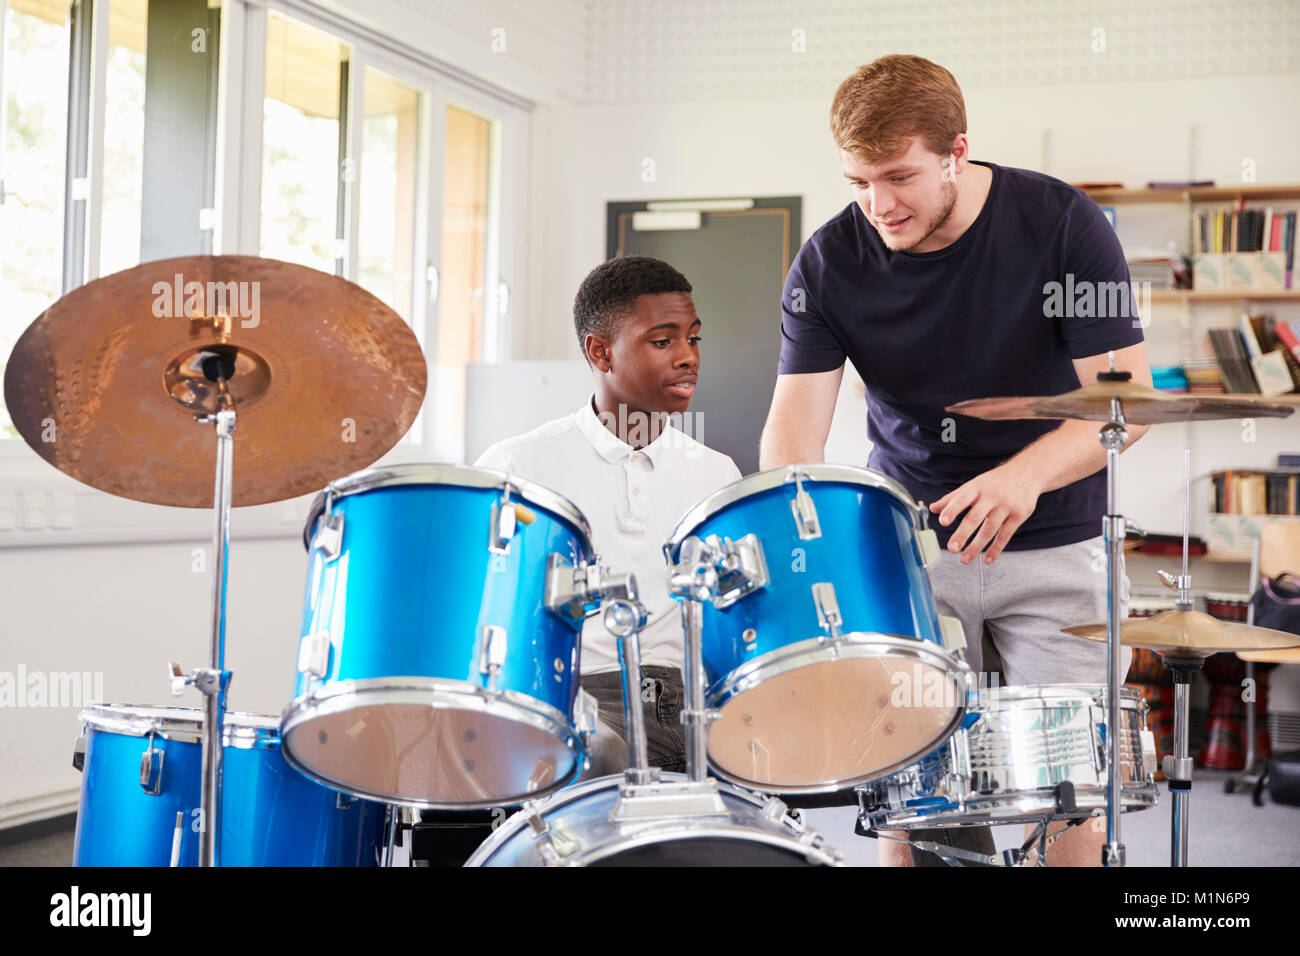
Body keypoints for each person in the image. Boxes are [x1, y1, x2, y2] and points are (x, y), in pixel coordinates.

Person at [759, 55, 1150, 867]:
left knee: (1067, 800)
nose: (879, 204)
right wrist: (814, 543)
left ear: (957, 152)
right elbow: (792, 434)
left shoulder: (1066, 224)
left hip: (1057, 541)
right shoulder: (830, 262)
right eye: (858, 180)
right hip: (912, 553)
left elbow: (1129, 401)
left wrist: (1022, 477)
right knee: (914, 804)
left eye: (898, 176)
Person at [476, 255, 741, 778]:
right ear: (600, 352)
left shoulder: (716, 472)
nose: (688, 357)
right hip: (577, 698)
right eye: (663, 342)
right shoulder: (518, 467)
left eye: (694, 339)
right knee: (604, 757)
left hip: (690, 702)